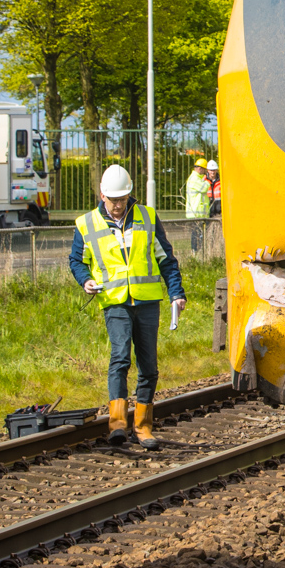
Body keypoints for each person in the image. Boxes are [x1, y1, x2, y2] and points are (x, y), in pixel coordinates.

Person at [69, 164, 187, 450]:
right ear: (102, 195)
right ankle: (118, 425)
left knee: (149, 366)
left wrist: (176, 293)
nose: (118, 206)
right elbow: (77, 261)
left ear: (129, 195)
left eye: (122, 200)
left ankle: (143, 426)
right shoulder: (86, 224)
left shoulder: (147, 217)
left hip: (147, 301)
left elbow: (166, 259)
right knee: (120, 357)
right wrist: (85, 281)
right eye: (113, 200)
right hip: (114, 302)